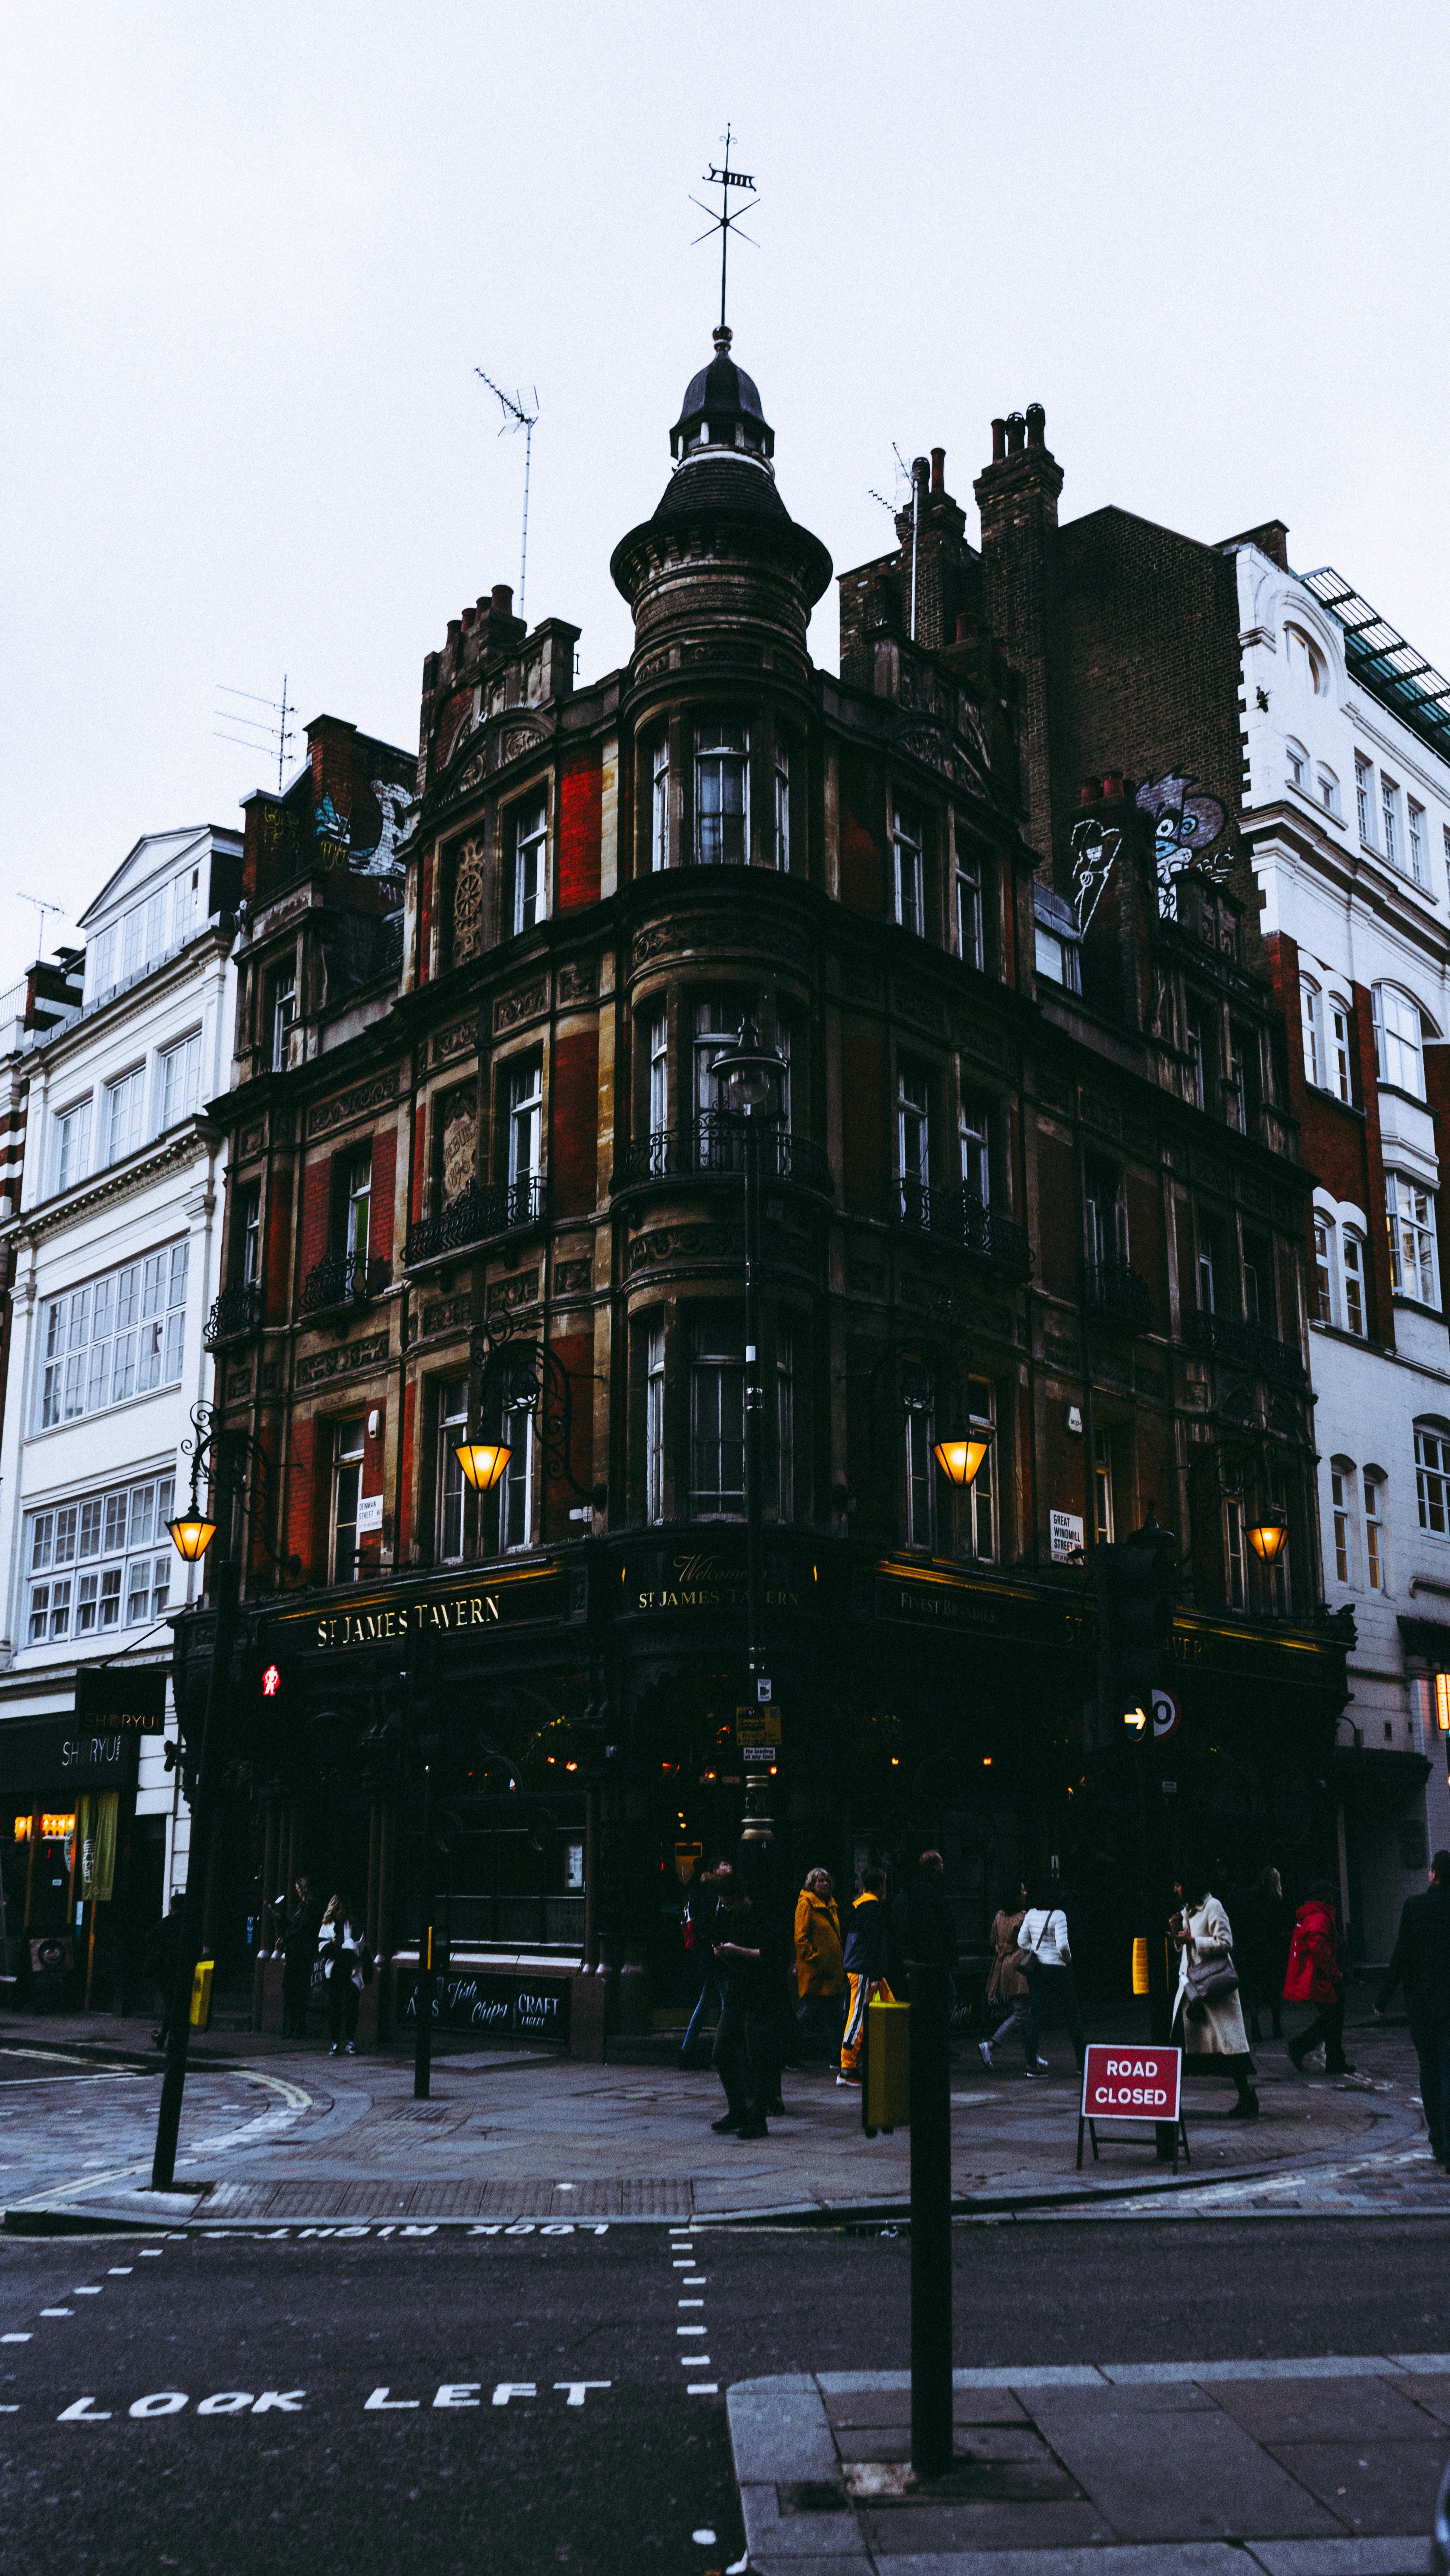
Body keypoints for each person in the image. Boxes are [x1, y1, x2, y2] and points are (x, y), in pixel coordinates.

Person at [1376, 1850, 1450, 2168]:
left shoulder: (1415, 1907)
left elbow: (1401, 1955)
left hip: (1421, 2005)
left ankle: (1439, 2142)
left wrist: (1382, 1999)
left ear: (1433, 1874)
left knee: (1429, 2070)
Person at [1171, 1875, 1258, 2118]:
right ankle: (1169, 2103)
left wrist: (1193, 1939)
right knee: (1183, 2045)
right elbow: (1187, 1949)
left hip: (1213, 1987)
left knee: (1228, 2047)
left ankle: (1247, 2098)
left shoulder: (1213, 1907)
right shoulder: (1187, 1911)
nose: (1175, 1889)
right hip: (1193, 1988)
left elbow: (1226, 1942)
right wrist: (1178, 1935)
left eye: (1178, 1884)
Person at [709, 1881, 787, 2139]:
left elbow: (773, 1955)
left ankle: (758, 2119)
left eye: (729, 1904)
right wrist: (723, 1954)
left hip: (763, 1993)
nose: (727, 1909)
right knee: (721, 2051)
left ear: (742, 1898)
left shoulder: (766, 1915)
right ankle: (738, 2110)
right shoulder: (733, 1917)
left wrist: (737, 1951)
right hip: (737, 1993)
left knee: (758, 2057)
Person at [1283, 1879, 1352, 2075]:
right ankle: (1300, 2047)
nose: (1334, 1897)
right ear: (1324, 1896)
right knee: (1333, 2018)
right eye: (1331, 1893)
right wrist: (1335, 1975)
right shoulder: (1319, 1917)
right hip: (1321, 1978)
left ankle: (1334, 2061)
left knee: (1332, 2018)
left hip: (1317, 1976)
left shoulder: (1314, 1915)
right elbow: (1320, 1950)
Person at [1017, 1883, 1085, 2079]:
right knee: (1072, 2014)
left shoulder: (1031, 1914)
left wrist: (1036, 1951)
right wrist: (1067, 1960)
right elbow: (1063, 1946)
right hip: (1057, 1970)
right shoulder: (1059, 1915)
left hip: (1037, 1970)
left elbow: (1022, 1941)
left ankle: (1031, 2064)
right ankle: (1082, 2063)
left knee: (1036, 2015)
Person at [839, 1866, 893, 2087]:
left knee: (880, 2011)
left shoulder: (858, 1906)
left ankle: (859, 2063)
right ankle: (847, 2068)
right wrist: (875, 1975)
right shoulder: (873, 1908)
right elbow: (874, 1944)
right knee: (858, 2018)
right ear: (882, 1885)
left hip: (860, 1969)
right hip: (864, 1971)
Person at [894, 1851, 960, 2016]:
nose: (943, 1867)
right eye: (941, 1864)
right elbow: (937, 1926)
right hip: (936, 1958)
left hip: (924, 1957)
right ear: (936, 1867)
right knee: (946, 1998)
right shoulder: (933, 1892)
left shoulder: (917, 1891)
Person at [680, 1861, 729, 2067]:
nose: (730, 1867)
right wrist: (718, 1945)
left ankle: (687, 2051)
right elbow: (707, 1923)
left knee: (705, 2003)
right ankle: (727, 2051)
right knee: (728, 2003)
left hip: (710, 1957)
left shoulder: (707, 1888)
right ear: (715, 1871)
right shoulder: (712, 1890)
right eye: (725, 1865)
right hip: (715, 1956)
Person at [794, 1868, 845, 2060]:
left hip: (832, 1971)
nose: (825, 1884)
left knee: (834, 2017)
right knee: (808, 2012)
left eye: (827, 1881)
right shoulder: (806, 1904)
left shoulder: (831, 1904)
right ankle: (786, 2049)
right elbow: (801, 1938)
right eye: (820, 1881)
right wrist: (815, 1958)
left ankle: (837, 2058)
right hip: (817, 1972)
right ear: (812, 1884)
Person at [1236, 1864, 1291, 2043]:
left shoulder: (1251, 1898)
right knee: (1274, 1989)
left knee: (1255, 1990)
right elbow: (1282, 1927)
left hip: (1255, 1951)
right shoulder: (1277, 1900)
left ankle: (1255, 2027)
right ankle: (1276, 2026)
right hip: (1272, 1951)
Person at [980, 1880, 1031, 2070]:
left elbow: (992, 1940)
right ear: (1016, 1896)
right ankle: (991, 2045)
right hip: (1020, 1967)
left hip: (1004, 1966)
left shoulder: (999, 1916)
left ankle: (1031, 2055)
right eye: (1023, 1891)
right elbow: (1029, 1943)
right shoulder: (1023, 1918)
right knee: (1021, 2013)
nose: (1026, 1893)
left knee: (1024, 2013)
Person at [318, 1894, 367, 2055]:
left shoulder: (352, 1925)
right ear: (332, 1910)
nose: (340, 1911)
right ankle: (335, 2042)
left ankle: (350, 2041)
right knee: (335, 2008)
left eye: (343, 1909)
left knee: (352, 2007)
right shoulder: (327, 1926)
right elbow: (323, 1949)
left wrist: (342, 1947)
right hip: (334, 1972)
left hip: (351, 1971)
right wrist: (337, 1947)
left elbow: (358, 1947)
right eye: (338, 1909)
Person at [275, 1874, 321, 2040]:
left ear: (303, 1889)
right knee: (290, 1989)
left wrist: (286, 1939)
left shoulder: (311, 1907)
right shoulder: (302, 1906)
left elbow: (303, 1929)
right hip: (295, 1953)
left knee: (298, 1990)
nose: (297, 1892)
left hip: (302, 1954)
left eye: (298, 1889)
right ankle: (292, 2026)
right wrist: (281, 1919)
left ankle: (298, 2027)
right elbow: (295, 1926)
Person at [144, 1892, 185, 2049]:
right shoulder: (189, 1924)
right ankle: (168, 2035)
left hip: (166, 1969)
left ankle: (164, 2036)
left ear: (172, 1907)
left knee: (170, 2004)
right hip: (182, 1969)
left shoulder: (168, 1922)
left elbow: (150, 1939)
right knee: (178, 2004)